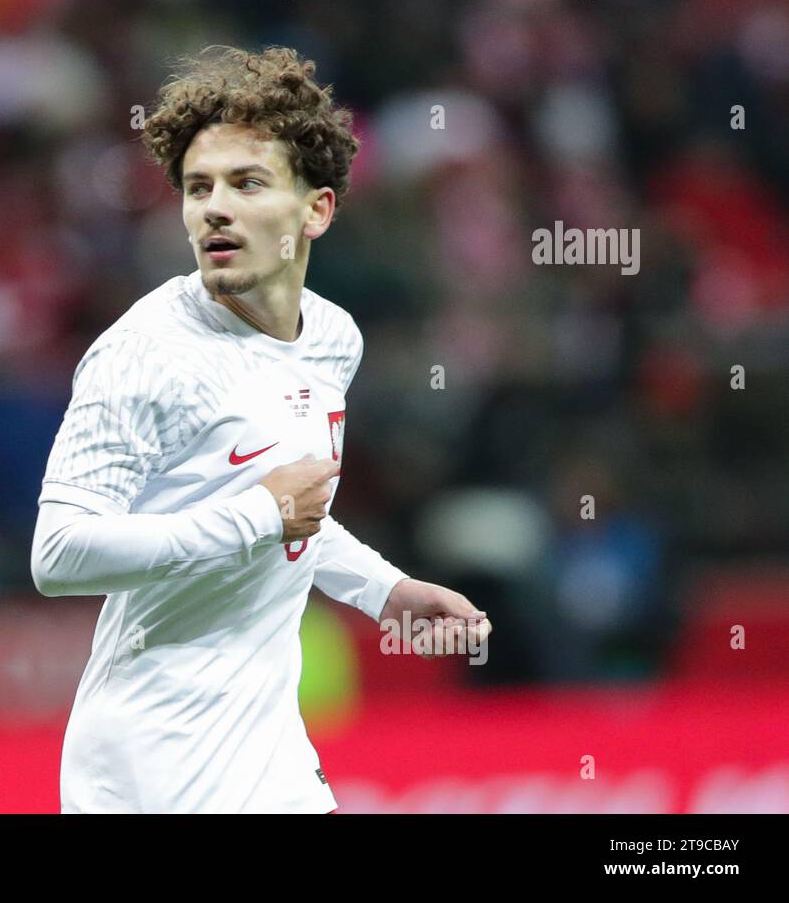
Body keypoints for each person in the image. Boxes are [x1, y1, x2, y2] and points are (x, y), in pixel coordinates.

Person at [31, 46, 491, 813]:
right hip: (153, 763)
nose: (215, 207)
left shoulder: (333, 340)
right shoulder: (144, 356)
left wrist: (386, 591)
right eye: (198, 187)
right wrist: (258, 515)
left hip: (269, 746)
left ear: (315, 210)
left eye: (246, 184)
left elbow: (294, 507)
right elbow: (60, 552)